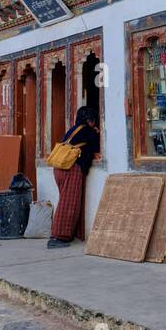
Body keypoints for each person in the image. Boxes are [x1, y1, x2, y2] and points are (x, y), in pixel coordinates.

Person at [48, 105, 100, 248]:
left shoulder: (72, 130)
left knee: (65, 201)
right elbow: (96, 150)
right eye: (93, 120)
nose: (94, 123)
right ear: (90, 120)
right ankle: (58, 237)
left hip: (59, 169)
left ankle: (69, 234)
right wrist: (97, 133)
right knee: (68, 203)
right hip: (71, 169)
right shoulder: (88, 130)